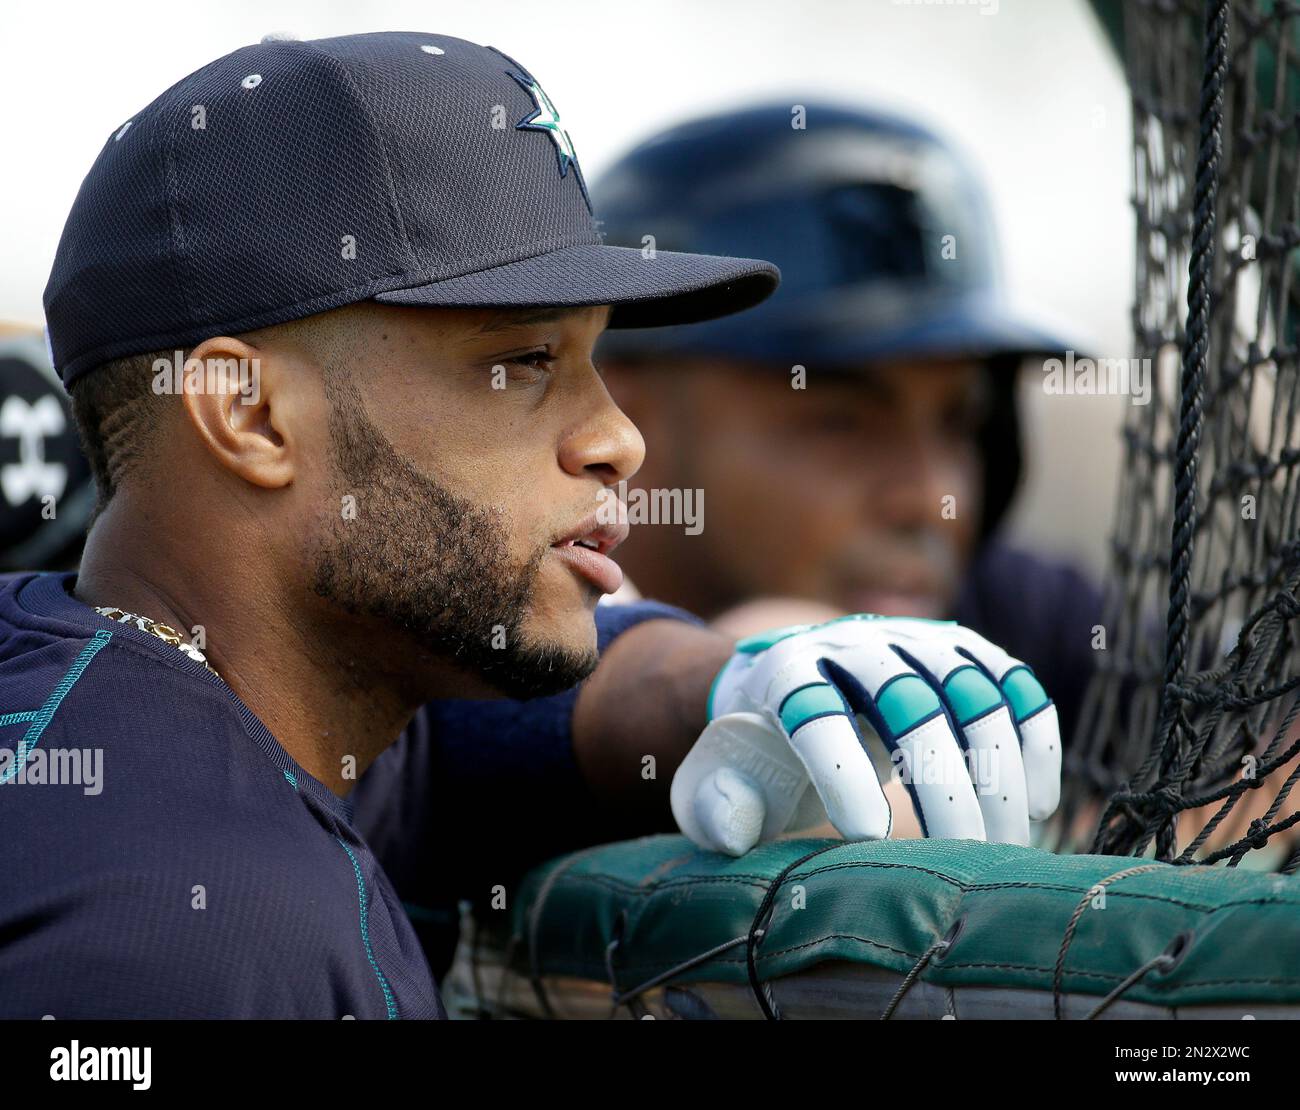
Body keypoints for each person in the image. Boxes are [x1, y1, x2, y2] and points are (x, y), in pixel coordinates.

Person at [0, 33, 1059, 1018]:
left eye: (594, 358)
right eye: (522, 363)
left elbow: (464, 752)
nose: (616, 438)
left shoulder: (203, 699)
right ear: (253, 414)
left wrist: (718, 685)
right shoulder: (189, 935)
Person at [590, 103, 1104, 747]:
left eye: (959, 420)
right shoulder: (499, 650)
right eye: (840, 422)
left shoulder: (1005, 611)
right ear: (621, 418)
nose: (929, 499)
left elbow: (1262, 751)